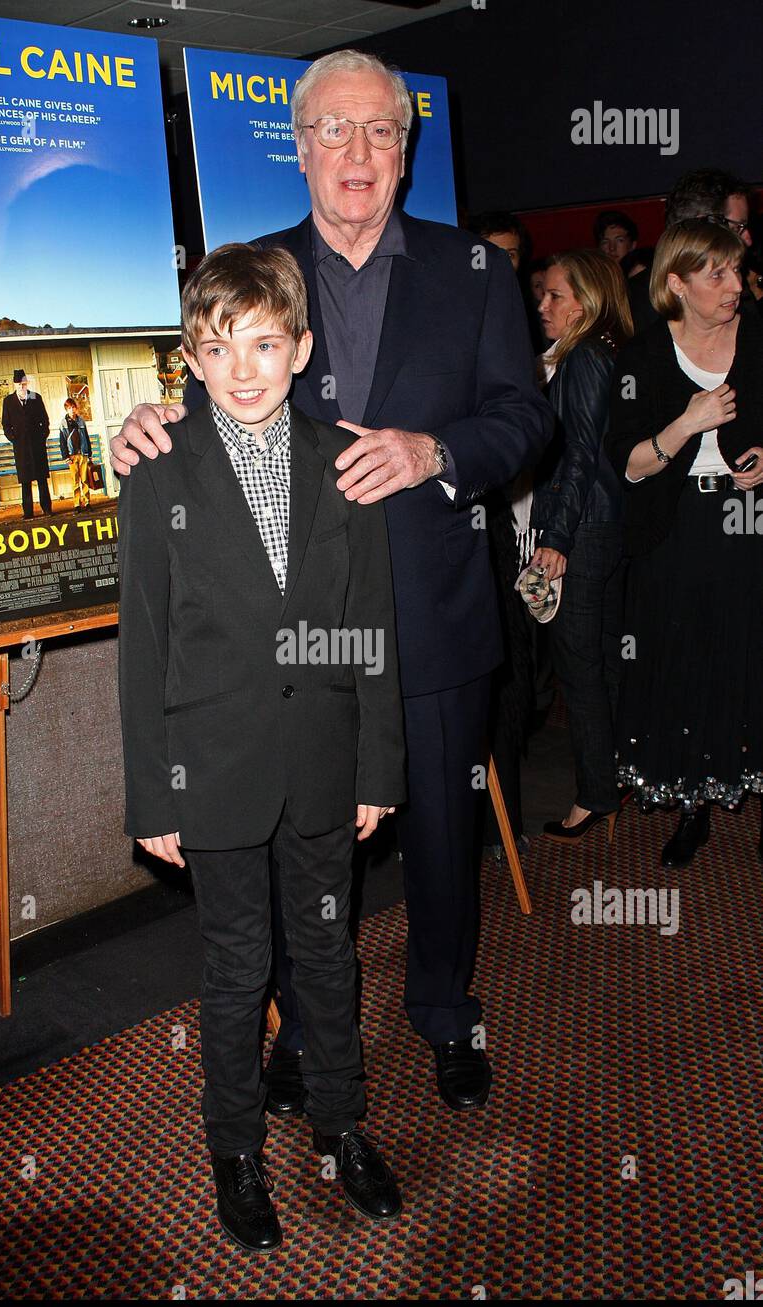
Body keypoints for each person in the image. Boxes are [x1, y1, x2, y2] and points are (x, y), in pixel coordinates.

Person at [110, 50, 553, 1115]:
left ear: (406, 154)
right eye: (334, 132)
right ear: (298, 146)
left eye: (380, 134)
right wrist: (145, 422)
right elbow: (204, 399)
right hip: (300, 640)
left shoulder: (476, 274)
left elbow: (525, 418)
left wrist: (432, 453)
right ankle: (306, 1032)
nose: (357, 153)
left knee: (443, 840)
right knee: (304, 843)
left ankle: (444, 1011)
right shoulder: (254, 268)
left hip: (433, 612)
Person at [117, 243, 407, 1252]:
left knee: (327, 955)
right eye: (216, 347)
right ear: (190, 360)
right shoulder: (158, 477)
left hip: (324, 763)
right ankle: (233, 1149)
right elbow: (145, 644)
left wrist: (377, 766)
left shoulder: (344, 461)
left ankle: (340, 1124)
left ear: (300, 347)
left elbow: (367, 624)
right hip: (215, 769)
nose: (241, 368)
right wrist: (152, 796)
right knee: (236, 967)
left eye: (262, 343)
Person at [605, 219, 763, 867]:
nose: (733, 287)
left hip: (749, 522)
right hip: (674, 531)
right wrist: (687, 424)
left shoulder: (758, 337)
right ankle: (691, 804)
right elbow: (631, 465)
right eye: (716, 275)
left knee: (751, 654)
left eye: (735, 270)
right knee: (687, 658)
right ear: (677, 282)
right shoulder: (641, 356)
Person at [530, 250, 633, 842]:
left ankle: (595, 793)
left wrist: (557, 538)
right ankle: (610, 776)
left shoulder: (587, 357)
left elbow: (580, 454)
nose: (543, 305)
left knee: (580, 665)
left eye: (555, 296)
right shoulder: (599, 352)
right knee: (601, 660)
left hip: (583, 530)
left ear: (586, 302)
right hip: (600, 525)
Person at [627, 168, 754, 333]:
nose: (748, 239)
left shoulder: (736, 285)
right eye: (738, 227)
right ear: (702, 226)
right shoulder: (631, 307)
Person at [1, 369, 51, 519]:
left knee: (42, 479)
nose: (21, 387)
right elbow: (5, 424)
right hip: (21, 447)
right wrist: (14, 438)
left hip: (37, 446)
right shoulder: (8, 401)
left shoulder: (36, 397)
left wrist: (42, 436)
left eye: (23, 383)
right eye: (18, 384)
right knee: (25, 481)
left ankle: (47, 509)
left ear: (27, 383)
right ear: (14, 384)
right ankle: (28, 512)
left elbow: (45, 420)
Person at [58, 398, 92, 509]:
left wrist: (89, 453)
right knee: (75, 480)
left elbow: (86, 437)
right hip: (72, 455)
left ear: (76, 408)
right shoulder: (63, 423)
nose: (72, 410)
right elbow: (62, 441)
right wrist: (65, 457)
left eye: (73, 407)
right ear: (66, 410)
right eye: (69, 408)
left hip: (83, 454)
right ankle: (77, 503)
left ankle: (87, 502)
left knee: (85, 479)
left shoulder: (81, 421)